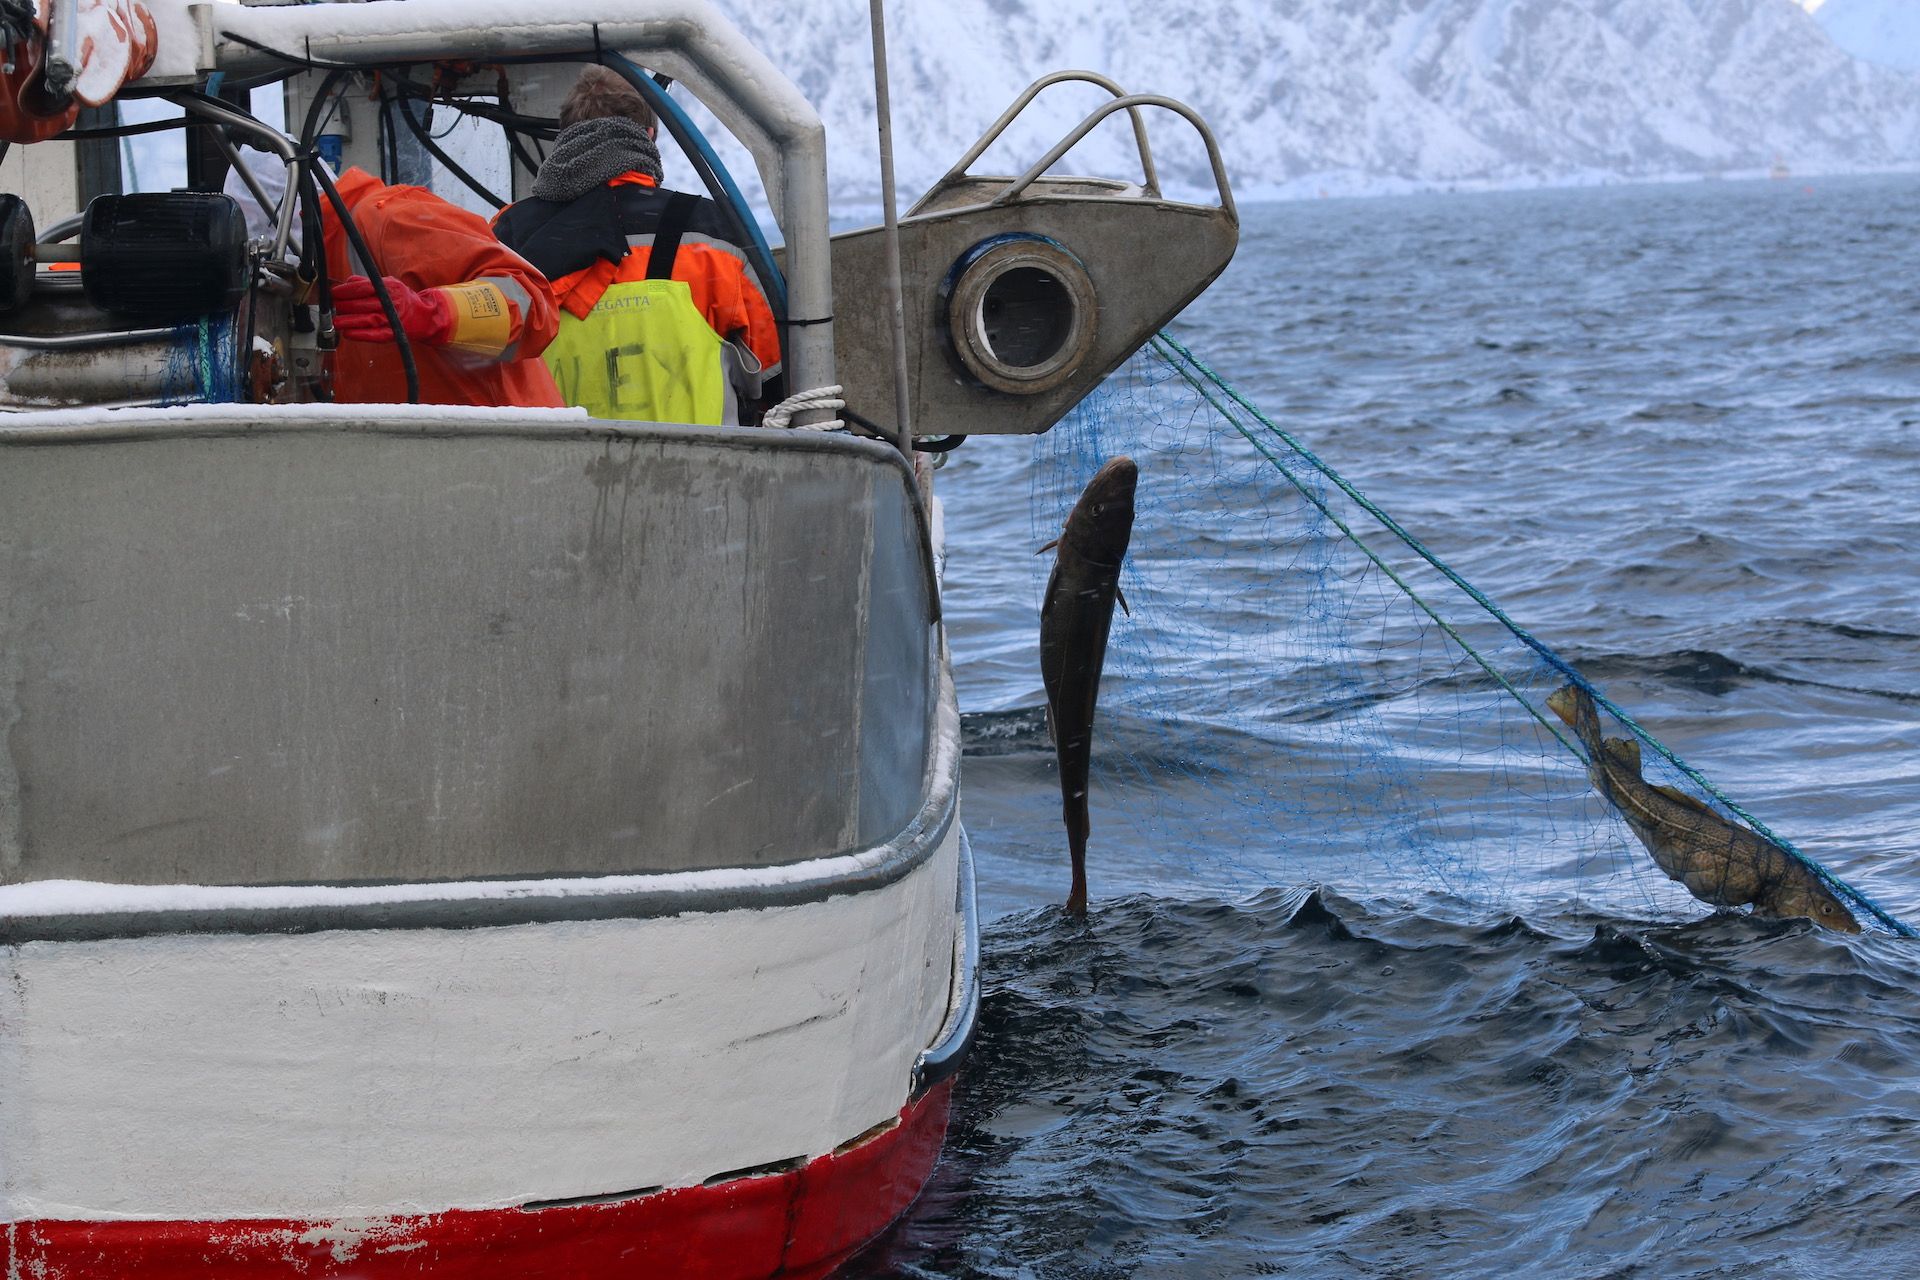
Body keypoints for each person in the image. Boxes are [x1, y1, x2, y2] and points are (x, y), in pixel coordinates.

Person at [492, 66, 780, 425]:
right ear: (648, 136)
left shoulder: (507, 233)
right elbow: (773, 376)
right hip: (699, 473)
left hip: (550, 472)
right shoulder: (713, 231)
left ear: (567, 139)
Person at [318, 167, 565, 407]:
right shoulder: (326, 273)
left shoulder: (392, 218)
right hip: (450, 444)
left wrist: (431, 313)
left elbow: (530, 301)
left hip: (516, 442)